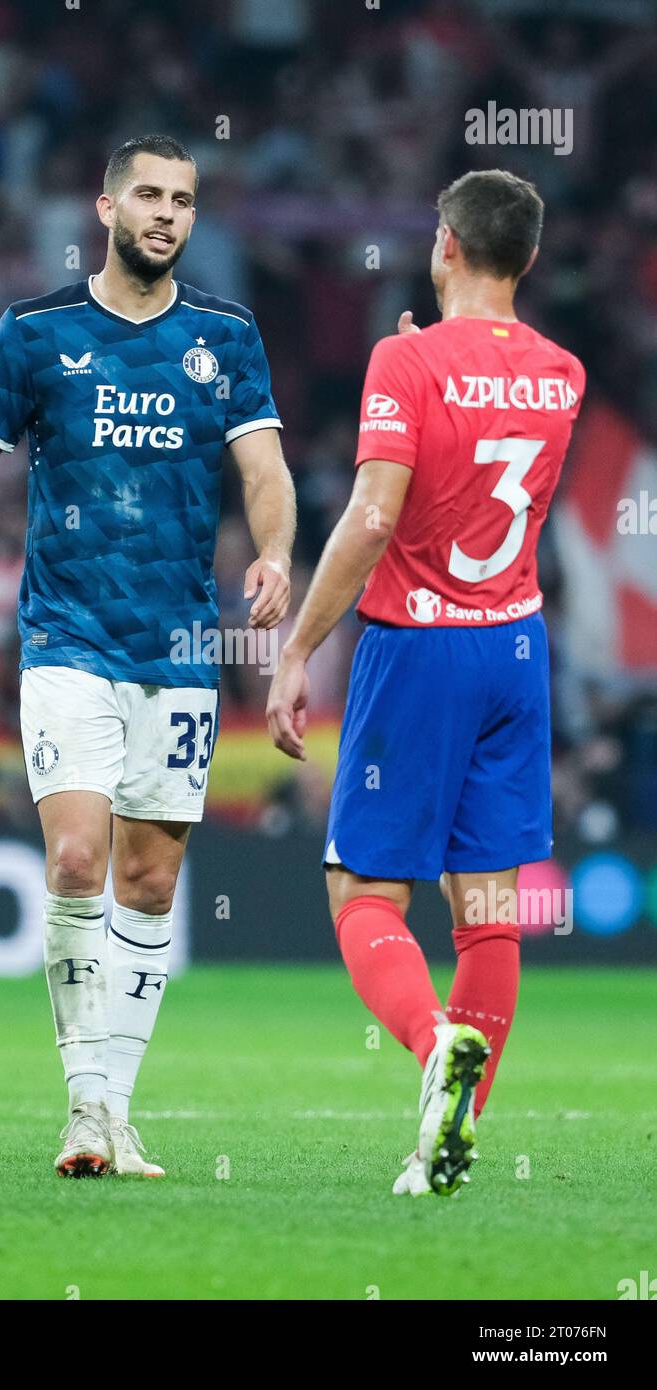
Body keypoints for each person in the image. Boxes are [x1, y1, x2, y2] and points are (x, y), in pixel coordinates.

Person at [0, 134, 296, 1180]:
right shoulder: (35, 333)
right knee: (78, 858)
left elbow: (263, 465)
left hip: (178, 650)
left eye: (183, 199)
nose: (168, 214)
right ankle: (83, 1110)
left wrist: (272, 552)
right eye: (150, 196)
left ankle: (117, 1113)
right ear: (105, 207)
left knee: (152, 878)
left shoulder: (225, 335)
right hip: (68, 636)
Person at [266, 169, 585, 1197]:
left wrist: (297, 646)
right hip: (516, 650)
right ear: (525, 259)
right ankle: (442, 1144)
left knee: (363, 890)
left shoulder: (402, 361)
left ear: (443, 244)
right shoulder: (562, 373)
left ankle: (430, 1038)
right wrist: (422, 367)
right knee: (487, 908)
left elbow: (372, 517)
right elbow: (483, 436)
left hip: (417, 646)